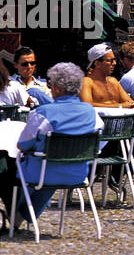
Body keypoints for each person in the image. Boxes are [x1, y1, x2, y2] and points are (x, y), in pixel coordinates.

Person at [0, 62, 101, 230]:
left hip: (42, 173)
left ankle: (15, 214)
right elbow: (99, 141)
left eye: (51, 85)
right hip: (78, 174)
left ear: (58, 89)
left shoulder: (43, 113)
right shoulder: (92, 112)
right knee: (51, 167)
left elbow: (23, 145)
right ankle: (20, 215)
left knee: (6, 166)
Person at [79, 44, 134, 109]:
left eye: (114, 60)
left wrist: (133, 105)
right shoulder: (86, 82)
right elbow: (87, 105)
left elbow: (129, 102)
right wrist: (120, 106)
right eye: (110, 60)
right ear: (97, 63)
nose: (114, 63)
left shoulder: (113, 81)